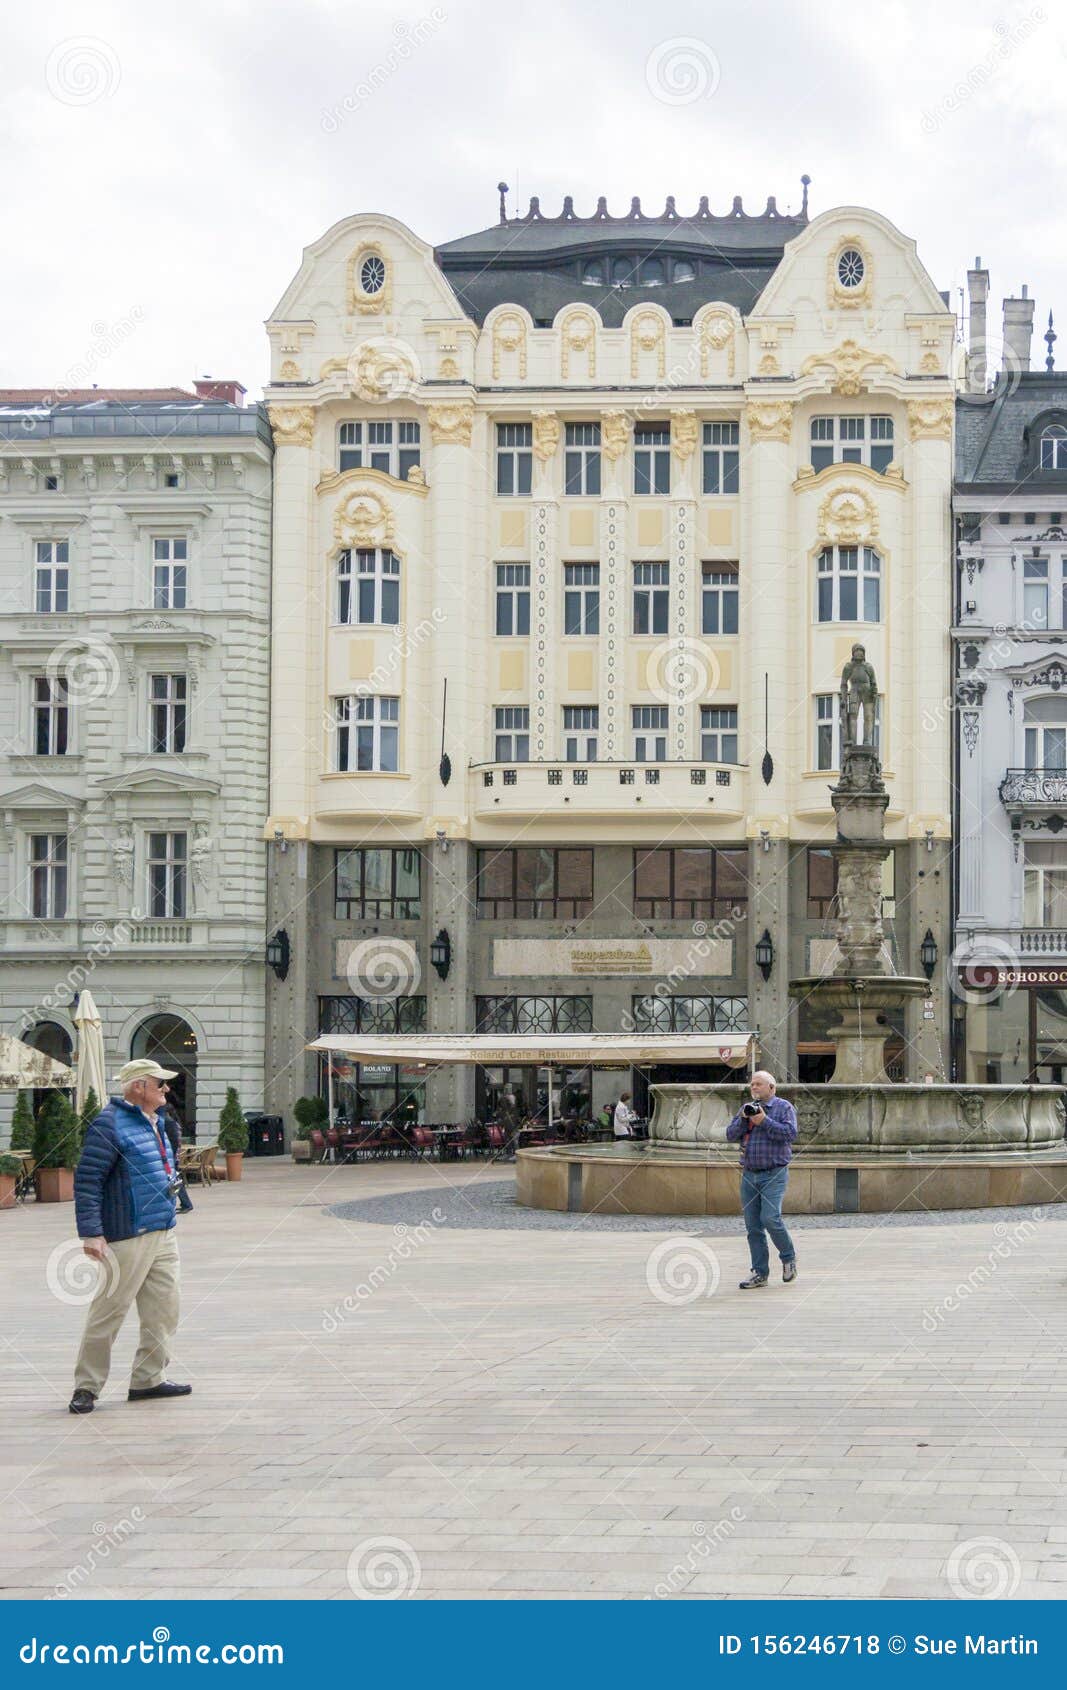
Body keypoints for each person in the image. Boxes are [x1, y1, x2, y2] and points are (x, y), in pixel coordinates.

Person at [68, 1060, 192, 1415]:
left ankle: (147, 1379)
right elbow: (88, 1181)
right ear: (138, 1087)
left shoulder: (158, 1122)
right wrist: (92, 1233)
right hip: (127, 1232)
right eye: (160, 1084)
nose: (166, 1090)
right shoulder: (109, 1123)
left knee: (164, 1309)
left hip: (163, 1230)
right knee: (109, 1311)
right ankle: (87, 1386)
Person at [726, 1070, 798, 1289]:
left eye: (758, 1084)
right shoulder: (746, 1108)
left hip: (774, 1172)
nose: (754, 1087)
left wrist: (764, 1121)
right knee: (753, 1226)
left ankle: (788, 1258)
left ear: (772, 1088)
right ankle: (759, 1272)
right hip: (749, 1173)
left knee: (770, 1218)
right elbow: (730, 1135)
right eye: (752, 1085)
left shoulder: (783, 1107)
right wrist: (744, 1118)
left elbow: (790, 1134)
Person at [162, 1102, 193, 1213]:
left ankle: (186, 1203)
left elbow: (174, 1142)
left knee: (174, 1180)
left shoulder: (167, 1122)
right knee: (175, 1179)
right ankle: (186, 1203)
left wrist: (171, 1156)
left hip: (171, 1156)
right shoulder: (173, 1122)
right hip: (174, 1155)